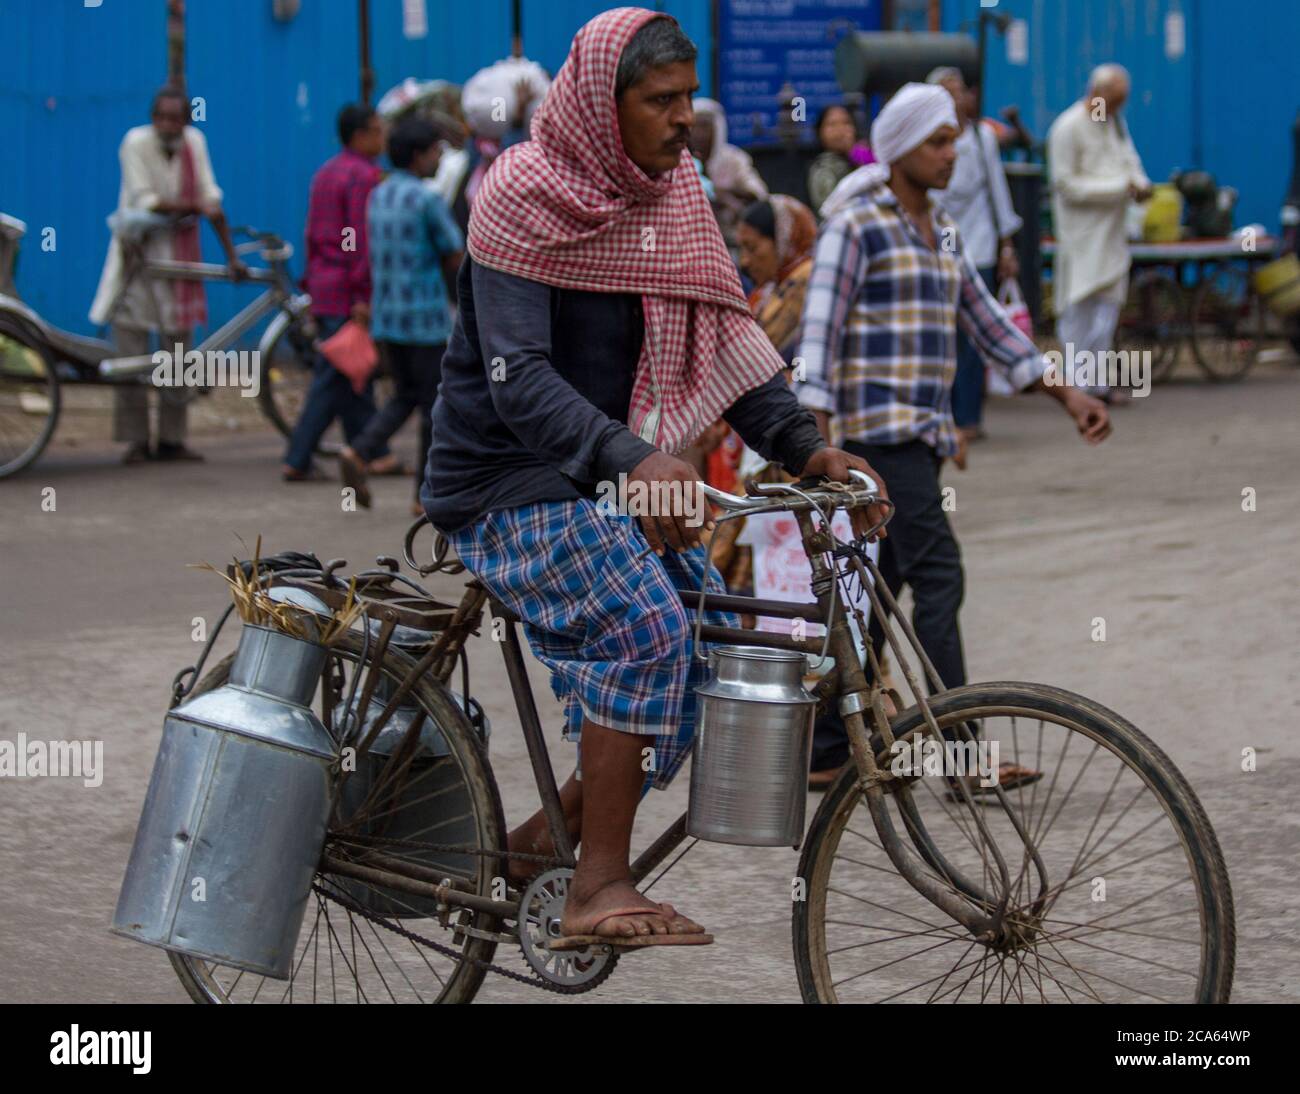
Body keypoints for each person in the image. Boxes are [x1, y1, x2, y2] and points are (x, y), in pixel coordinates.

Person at [421, 9, 886, 945]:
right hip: (504, 485)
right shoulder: (519, 192)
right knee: (644, 632)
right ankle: (597, 885)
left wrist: (807, 448)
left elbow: (731, 339)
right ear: (604, 103)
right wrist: (634, 460)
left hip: (601, 477)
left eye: (686, 97)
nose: (684, 119)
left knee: (709, 646)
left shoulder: (672, 197)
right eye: (659, 101)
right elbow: (519, 378)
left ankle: (530, 851)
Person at [799, 83, 1112, 786]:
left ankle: (822, 749)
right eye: (938, 143)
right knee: (940, 575)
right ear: (900, 148)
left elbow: (988, 322)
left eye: (953, 142)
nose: (951, 155)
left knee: (890, 585)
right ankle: (963, 754)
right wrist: (818, 459)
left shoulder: (940, 228)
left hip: (920, 443)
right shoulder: (856, 226)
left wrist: (1067, 394)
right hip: (871, 446)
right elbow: (815, 347)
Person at [90, 86, 246, 464]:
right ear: (152, 117)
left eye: (175, 118)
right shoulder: (136, 143)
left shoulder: (195, 143)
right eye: (161, 117)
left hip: (179, 262)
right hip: (138, 262)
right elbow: (148, 201)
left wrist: (232, 257)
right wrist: (196, 207)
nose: (168, 124)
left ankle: (172, 439)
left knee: (177, 352)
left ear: (186, 120)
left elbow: (213, 199)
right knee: (131, 351)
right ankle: (136, 440)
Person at [339, 117, 464, 515]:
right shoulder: (427, 199)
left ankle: (358, 452)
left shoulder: (380, 194)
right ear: (418, 155)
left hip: (388, 317)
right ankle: (422, 495)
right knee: (433, 407)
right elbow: (453, 249)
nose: (436, 161)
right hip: (425, 319)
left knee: (405, 396)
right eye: (433, 153)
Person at [282, 104, 397, 481]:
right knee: (333, 376)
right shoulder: (364, 177)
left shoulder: (326, 173)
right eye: (378, 131)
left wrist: (313, 283)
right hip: (348, 289)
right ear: (360, 135)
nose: (382, 139)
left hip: (326, 284)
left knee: (352, 370)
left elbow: (313, 234)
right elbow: (359, 241)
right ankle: (297, 457)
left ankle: (371, 452)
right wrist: (362, 294)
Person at [926, 66, 1023, 441]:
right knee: (942, 334)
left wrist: (1007, 245)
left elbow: (998, 194)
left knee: (971, 337)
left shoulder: (983, 138)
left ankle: (967, 418)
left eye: (958, 91)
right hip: (937, 246)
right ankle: (941, 416)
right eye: (945, 93)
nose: (955, 100)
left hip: (978, 245)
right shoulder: (923, 145)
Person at [1048, 64, 1151, 402]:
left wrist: (1139, 185)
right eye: (1113, 100)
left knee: (1106, 313)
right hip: (1082, 237)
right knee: (1078, 312)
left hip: (1112, 237)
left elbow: (1129, 161)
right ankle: (1077, 388)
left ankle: (1097, 384)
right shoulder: (1068, 127)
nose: (1116, 107)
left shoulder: (1115, 124)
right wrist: (1119, 188)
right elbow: (1065, 184)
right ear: (1096, 93)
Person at [689, 96, 768, 246]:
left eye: (705, 127)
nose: (699, 134)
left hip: (731, 242)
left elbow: (759, 194)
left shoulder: (734, 159)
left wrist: (725, 195)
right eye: (695, 127)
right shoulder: (678, 161)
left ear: (717, 128)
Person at [807, 104, 874, 215]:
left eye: (846, 123)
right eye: (832, 124)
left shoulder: (863, 155)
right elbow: (829, 210)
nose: (840, 130)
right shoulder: (821, 168)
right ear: (820, 132)